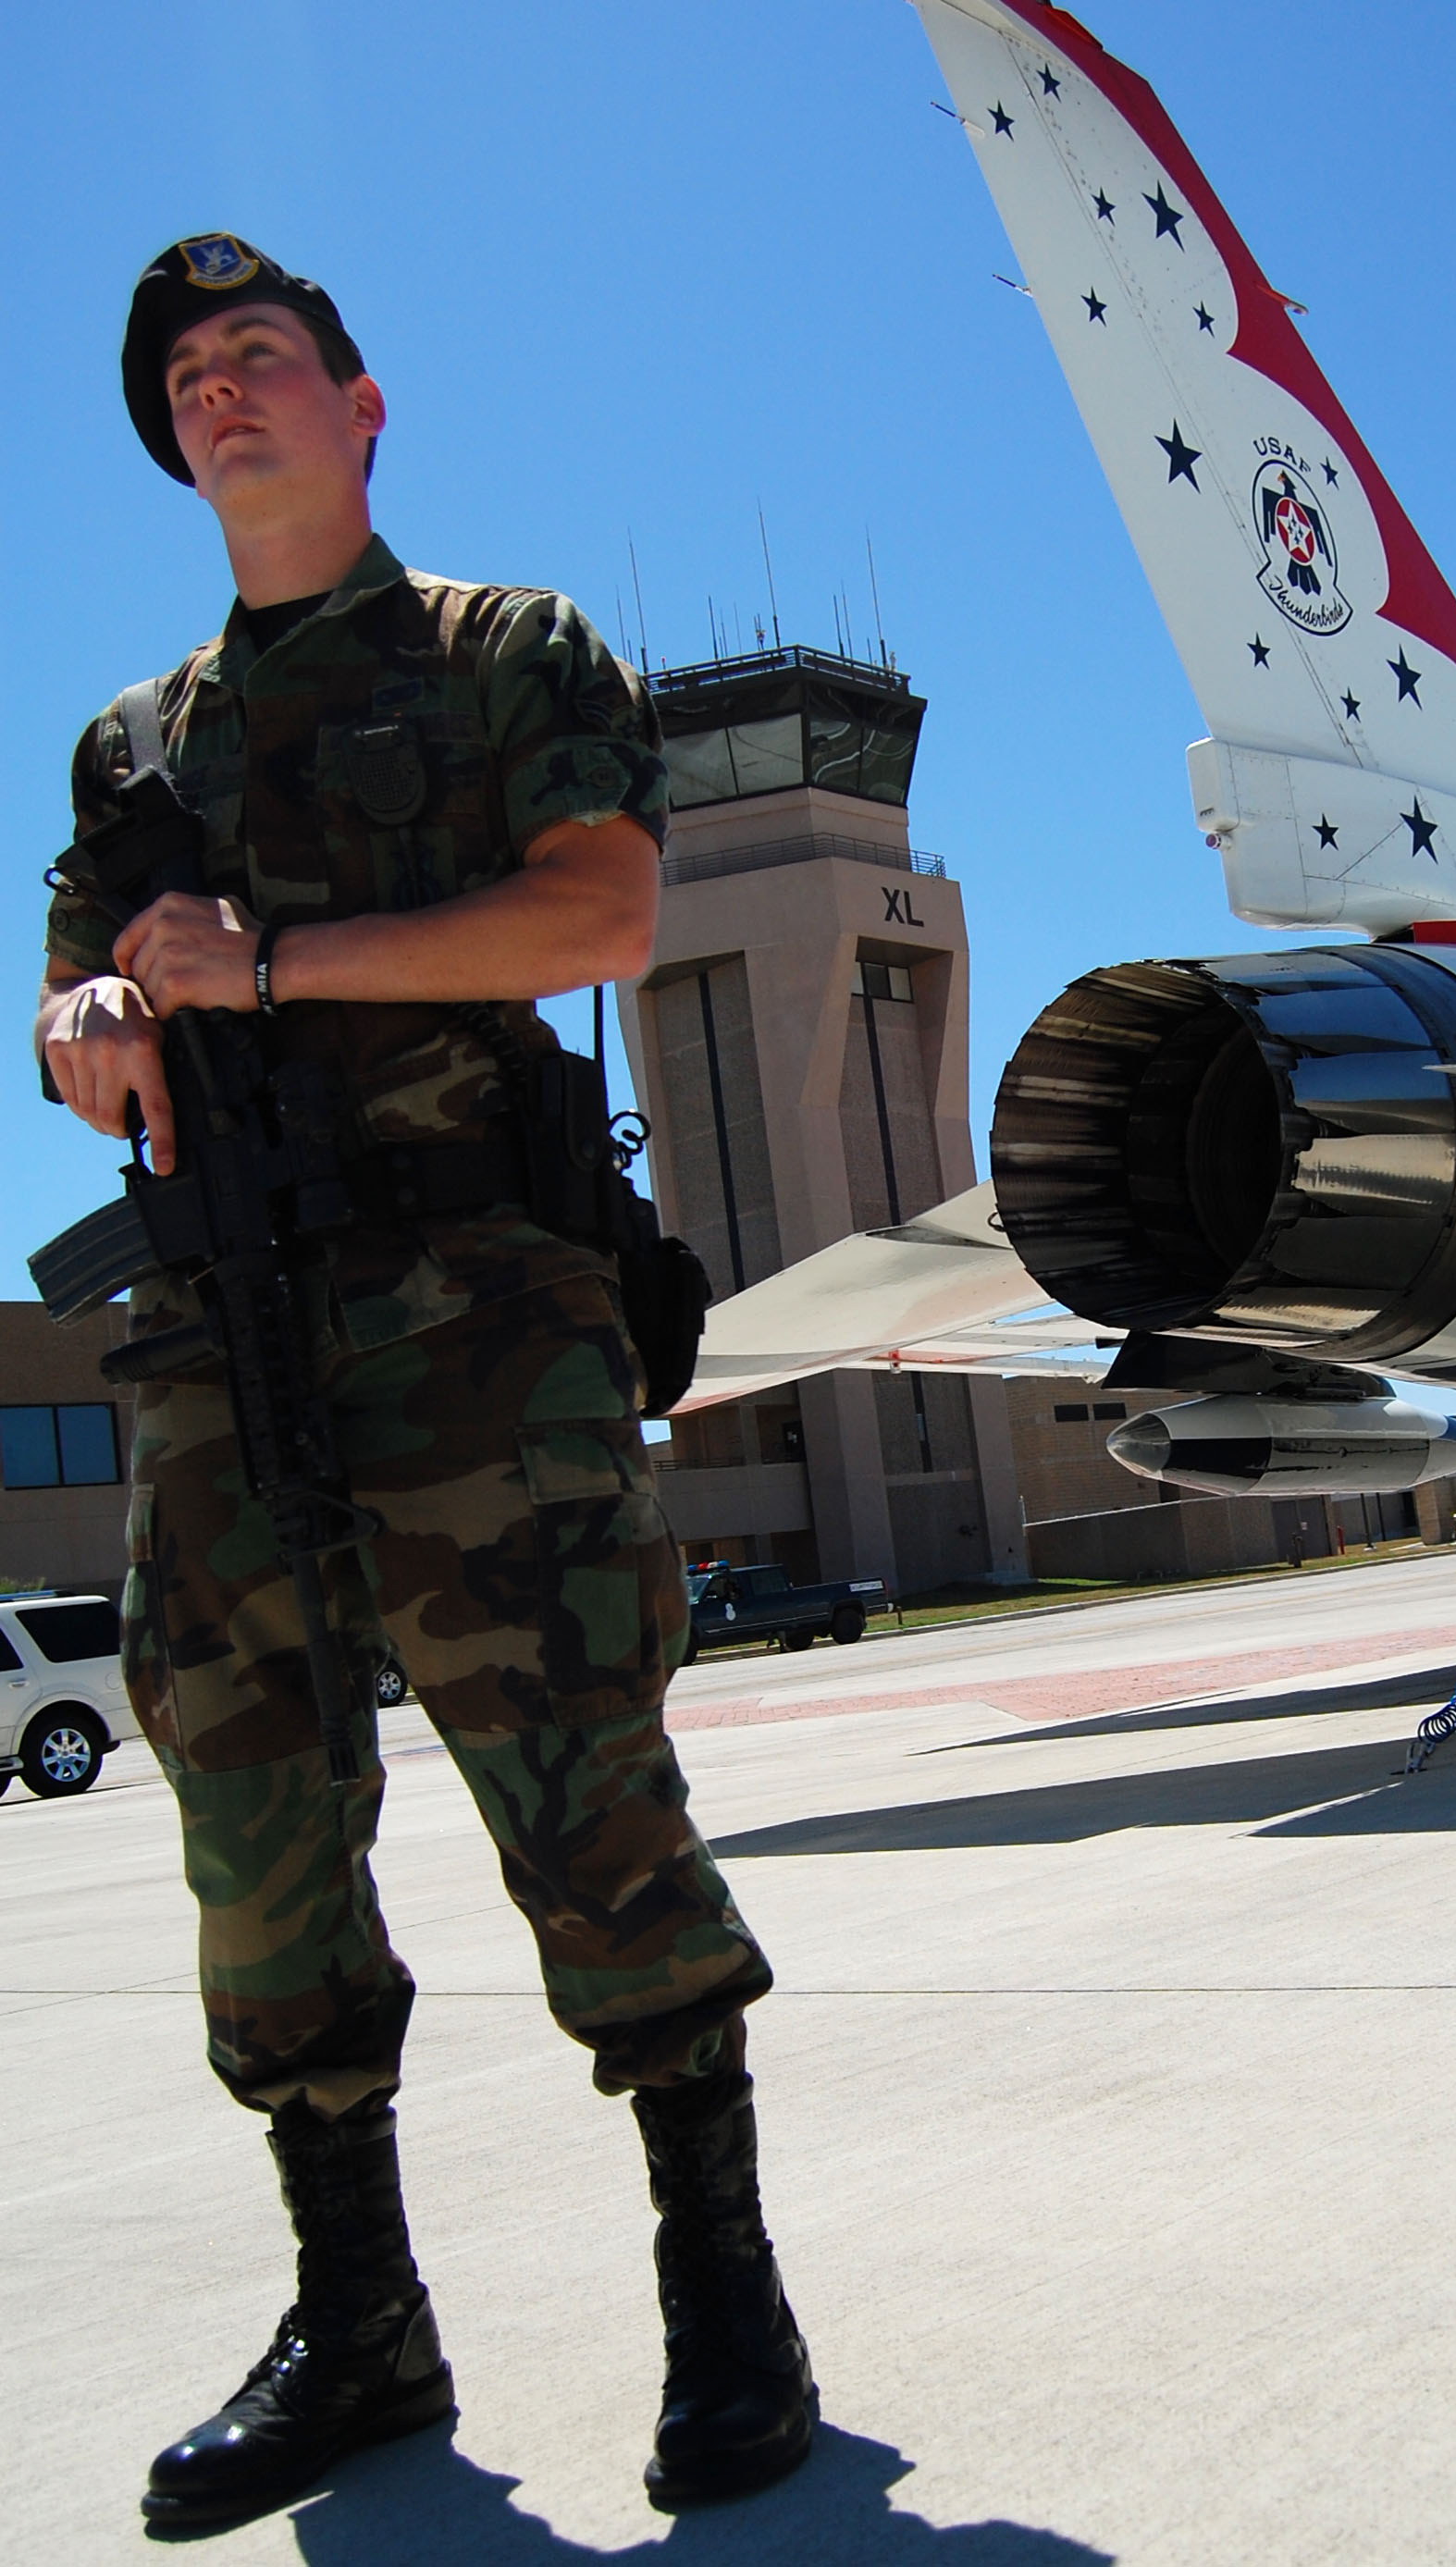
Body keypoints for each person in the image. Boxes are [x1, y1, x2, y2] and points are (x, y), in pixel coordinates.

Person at [33, 236, 815, 2528]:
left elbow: (598, 914)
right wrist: (92, 1032)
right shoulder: (130, 742)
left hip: (479, 1309)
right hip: (222, 1342)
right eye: (185, 374)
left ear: (362, 407)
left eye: (258, 353)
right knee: (252, 1825)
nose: (219, 389)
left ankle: (724, 2294)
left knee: (583, 1782)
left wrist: (271, 963)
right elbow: (78, 1032)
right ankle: (359, 2324)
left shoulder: (503, 653)